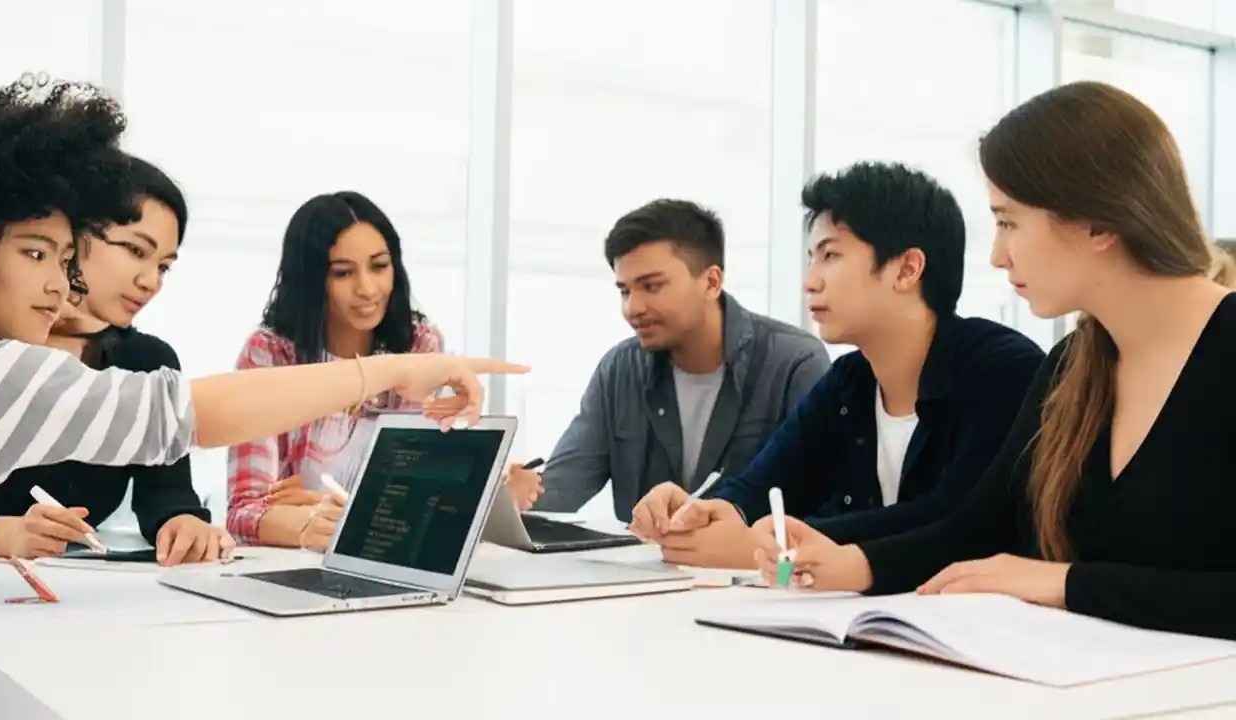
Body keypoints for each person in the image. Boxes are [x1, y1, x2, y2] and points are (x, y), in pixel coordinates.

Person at [0, 74, 524, 562]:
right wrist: (390, 372)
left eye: (62, 257)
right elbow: (185, 415)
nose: (61, 283)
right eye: (35, 253)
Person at [751, 81, 1236, 641]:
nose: (997, 255)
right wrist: (850, 562)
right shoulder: (1072, 365)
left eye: (1008, 222)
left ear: (1100, 221)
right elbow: (979, 527)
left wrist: (1065, 584)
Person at [629, 163, 1044, 568]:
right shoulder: (849, 381)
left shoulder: (1003, 370)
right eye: (812, 258)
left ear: (906, 269)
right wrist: (704, 513)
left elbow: (956, 523)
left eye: (830, 256)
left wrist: (777, 547)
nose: (810, 281)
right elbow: (760, 486)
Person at [0, 154, 221, 564]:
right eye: (135, 250)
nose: (151, 282)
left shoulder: (144, 359)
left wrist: (184, 521)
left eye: (164, 267)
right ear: (78, 234)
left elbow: (168, 488)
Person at [513, 199, 830, 521]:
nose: (633, 307)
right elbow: (561, 488)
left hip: (750, 568)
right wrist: (510, 497)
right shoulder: (620, 369)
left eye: (651, 286)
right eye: (625, 291)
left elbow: (821, 501)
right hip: (643, 570)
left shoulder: (794, 362)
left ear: (711, 282)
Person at [227, 191, 444, 550]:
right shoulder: (269, 354)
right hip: (292, 566)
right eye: (342, 273)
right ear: (311, 280)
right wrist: (304, 522)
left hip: (387, 555)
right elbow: (244, 513)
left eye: (379, 266)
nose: (367, 289)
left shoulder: (419, 347)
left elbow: (410, 498)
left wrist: (315, 499)